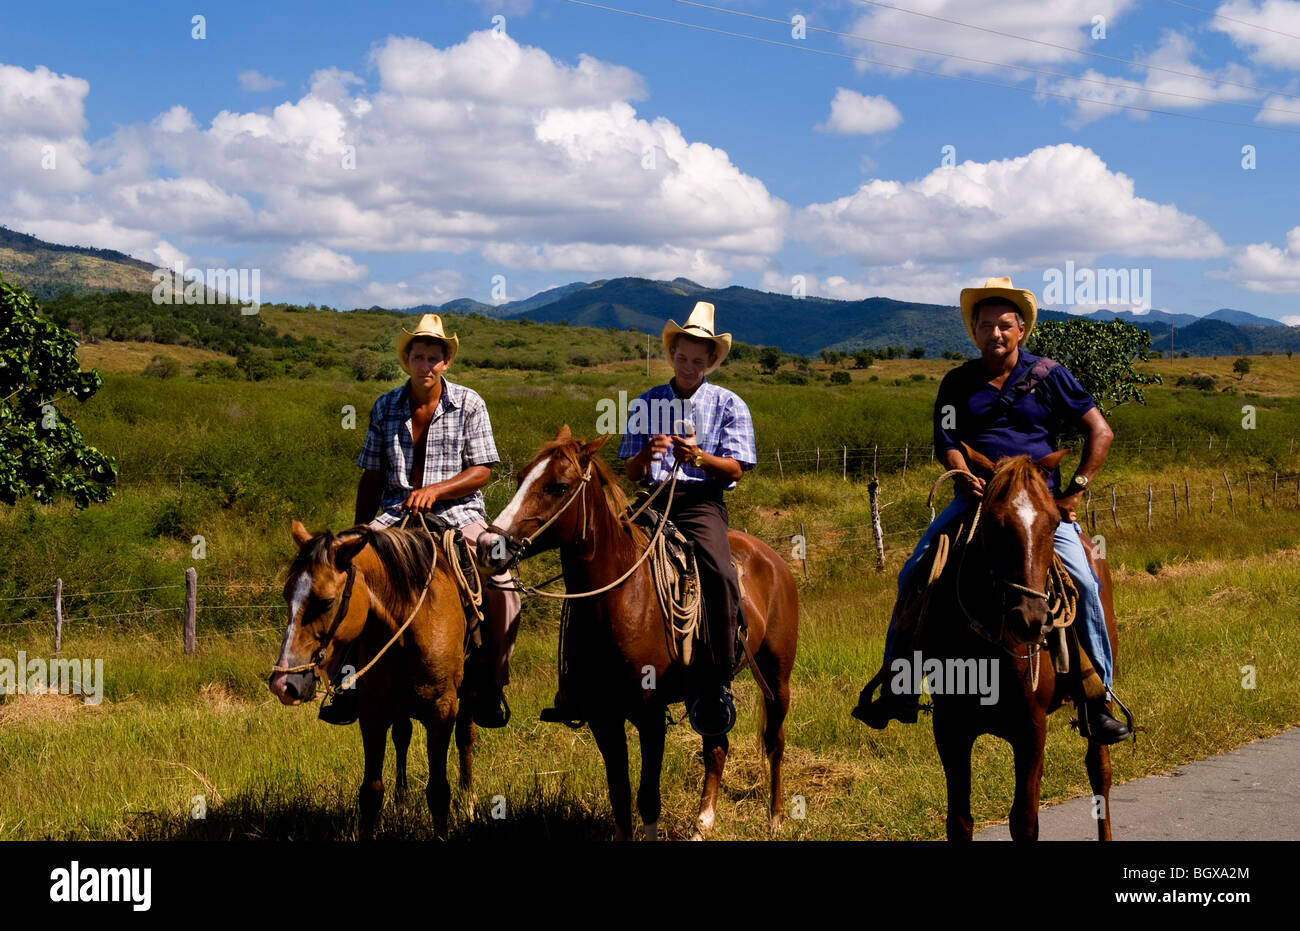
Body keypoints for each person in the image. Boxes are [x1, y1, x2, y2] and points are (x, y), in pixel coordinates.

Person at [851, 277, 1132, 744]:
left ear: (1021, 329)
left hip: (1038, 507)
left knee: (1084, 577)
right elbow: (946, 442)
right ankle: (899, 685)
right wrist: (962, 473)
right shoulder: (958, 382)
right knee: (914, 571)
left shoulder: (1050, 375)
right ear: (974, 331)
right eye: (985, 326)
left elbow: (1099, 431)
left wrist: (1075, 490)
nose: (995, 334)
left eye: (1004, 325)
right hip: (977, 500)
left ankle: (1096, 695)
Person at [326, 313, 521, 728]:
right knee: (346, 576)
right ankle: (345, 682)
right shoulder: (386, 406)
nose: (426, 365)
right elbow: (373, 474)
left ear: (446, 362)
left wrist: (437, 490)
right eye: (419, 356)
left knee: (501, 575)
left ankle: (492, 681)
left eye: (435, 357)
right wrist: (359, 532)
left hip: (459, 513)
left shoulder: (469, 403)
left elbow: (483, 469)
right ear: (407, 361)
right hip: (396, 514)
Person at [618, 301, 756, 737]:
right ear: (671, 356)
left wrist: (699, 457)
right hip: (651, 500)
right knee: (599, 558)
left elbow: (737, 468)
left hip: (699, 503)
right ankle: (587, 676)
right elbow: (630, 470)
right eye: (682, 357)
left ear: (711, 361)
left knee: (717, 570)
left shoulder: (730, 404)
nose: (689, 366)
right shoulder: (646, 403)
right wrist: (646, 454)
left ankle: (717, 675)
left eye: (699, 360)